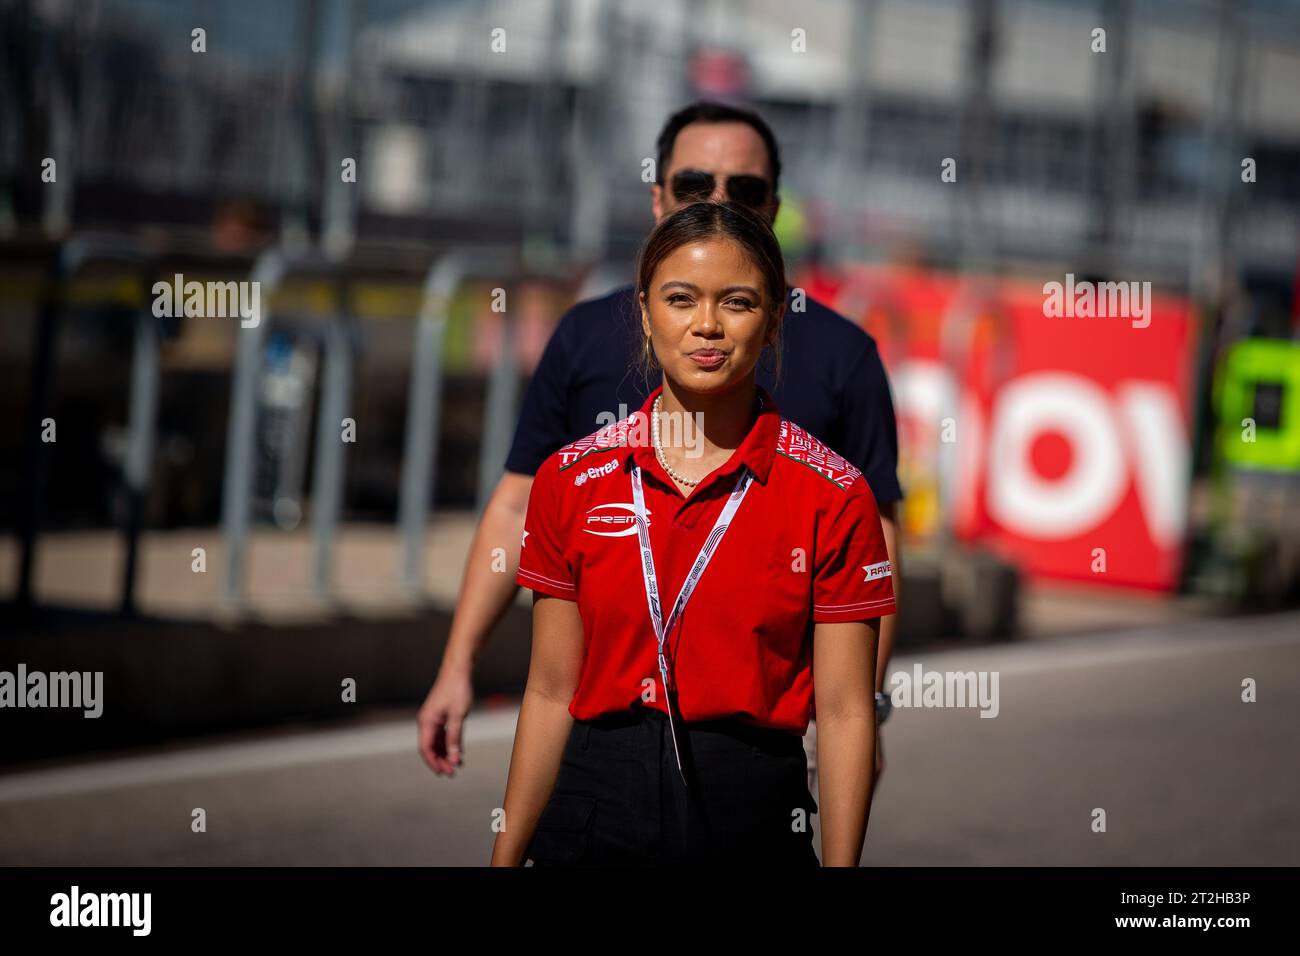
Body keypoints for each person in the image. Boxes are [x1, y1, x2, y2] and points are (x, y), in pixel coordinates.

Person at [419, 101, 902, 791]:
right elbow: (515, 506)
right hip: (600, 730)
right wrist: (457, 663)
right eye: (693, 185)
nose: (718, 201)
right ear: (658, 197)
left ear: (775, 204)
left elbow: (876, 538)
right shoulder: (587, 334)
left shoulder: (841, 355)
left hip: (757, 740)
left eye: (746, 190)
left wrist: (863, 707)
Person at [490, 202, 895, 866]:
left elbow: (847, 712)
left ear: (772, 321)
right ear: (646, 313)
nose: (706, 325)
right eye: (680, 300)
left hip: (754, 808)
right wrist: (505, 858)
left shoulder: (835, 492)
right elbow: (549, 689)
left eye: (737, 302)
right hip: (594, 799)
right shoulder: (570, 477)